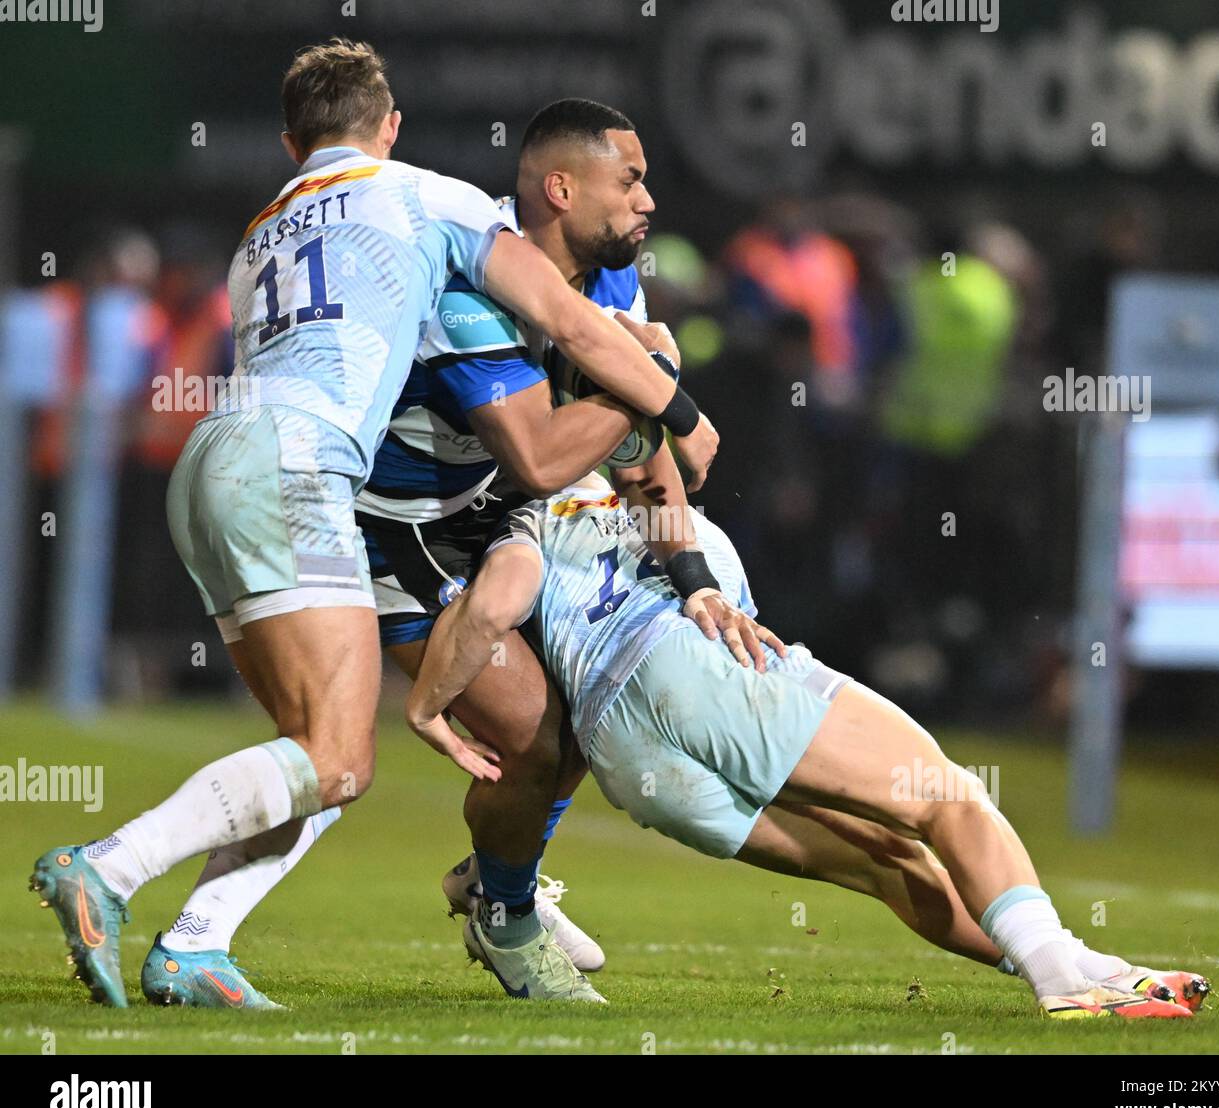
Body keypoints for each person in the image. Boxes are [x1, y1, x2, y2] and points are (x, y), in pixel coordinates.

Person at [30, 41, 719, 1009]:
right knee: (338, 758)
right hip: (308, 473)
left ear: (288, 140)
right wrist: (675, 404)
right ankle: (107, 863)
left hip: (211, 461)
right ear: (389, 128)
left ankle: (195, 943)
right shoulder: (426, 197)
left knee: (314, 746)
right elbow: (566, 323)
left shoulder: (260, 229)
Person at [407, 471, 1209, 1017]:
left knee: (883, 863)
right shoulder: (619, 468)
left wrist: (428, 706)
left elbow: (492, 609)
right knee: (948, 797)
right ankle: (1066, 984)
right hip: (694, 666)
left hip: (626, 749)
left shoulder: (519, 524)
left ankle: (1087, 969)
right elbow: (691, 441)